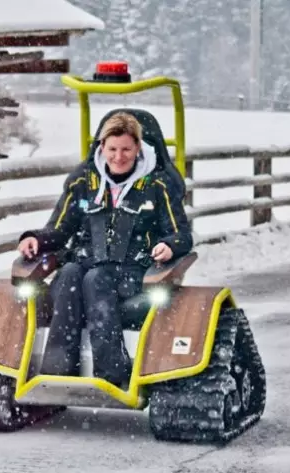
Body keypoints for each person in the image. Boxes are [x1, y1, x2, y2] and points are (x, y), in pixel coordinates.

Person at [17, 111, 193, 386]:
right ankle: (57, 370)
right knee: (69, 274)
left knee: (95, 279)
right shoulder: (84, 182)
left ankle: (112, 373)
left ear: (138, 147)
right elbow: (60, 228)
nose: (119, 156)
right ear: (101, 147)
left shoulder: (158, 185)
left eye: (126, 149)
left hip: (135, 271)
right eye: (112, 149)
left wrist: (169, 246)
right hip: (87, 264)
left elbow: (181, 234)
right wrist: (36, 239)